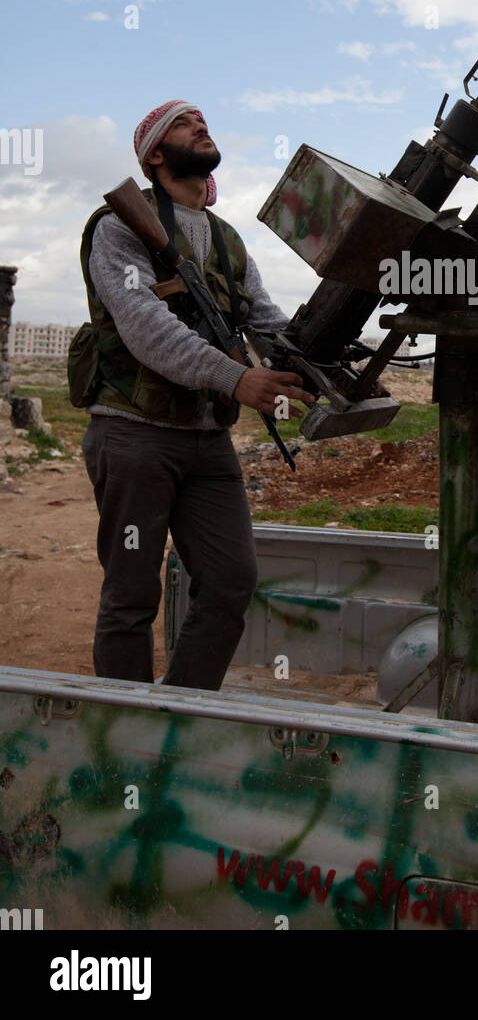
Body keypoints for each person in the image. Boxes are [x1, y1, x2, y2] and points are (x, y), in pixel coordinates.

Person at [70, 99, 314, 691]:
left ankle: (181, 711)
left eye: (204, 119)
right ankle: (128, 731)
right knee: (131, 595)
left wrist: (327, 360)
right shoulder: (118, 227)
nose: (201, 125)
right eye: (183, 122)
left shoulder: (227, 239)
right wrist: (237, 379)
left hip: (207, 441)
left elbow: (265, 320)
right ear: (155, 154)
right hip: (134, 434)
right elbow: (144, 325)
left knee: (231, 580)